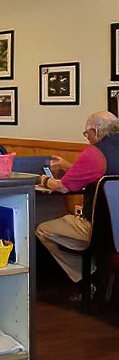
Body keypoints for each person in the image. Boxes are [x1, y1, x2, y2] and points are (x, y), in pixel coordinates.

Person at [35, 111, 119, 283]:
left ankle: (87, 277)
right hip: (117, 230)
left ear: (95, 131)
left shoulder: (95, 153)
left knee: (43, 229)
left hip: (99, 229)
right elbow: (99, 173)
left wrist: (43, 179)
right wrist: (70, 166)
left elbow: (63, 187)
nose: (87, 138)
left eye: (86, 133)